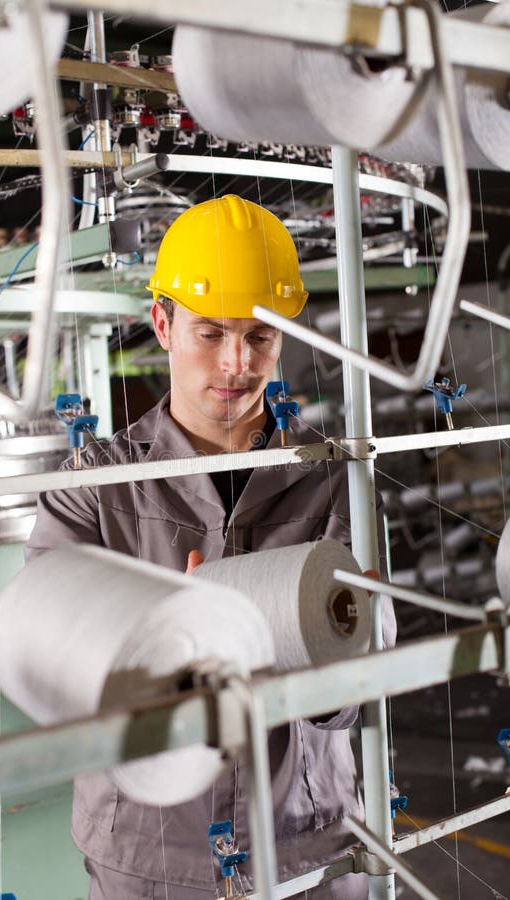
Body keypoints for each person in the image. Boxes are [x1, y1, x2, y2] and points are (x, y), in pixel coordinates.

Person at [26, 194, 396, 899]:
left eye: (260, 337)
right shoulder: (94, 485)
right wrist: (176, 637)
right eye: (211, 333)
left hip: (306, 840)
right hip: (150, 849)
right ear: (162, 323)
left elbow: (368, 655)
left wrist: (344, 635)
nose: (237, 363)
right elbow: (48, 643)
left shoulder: (332, 481)